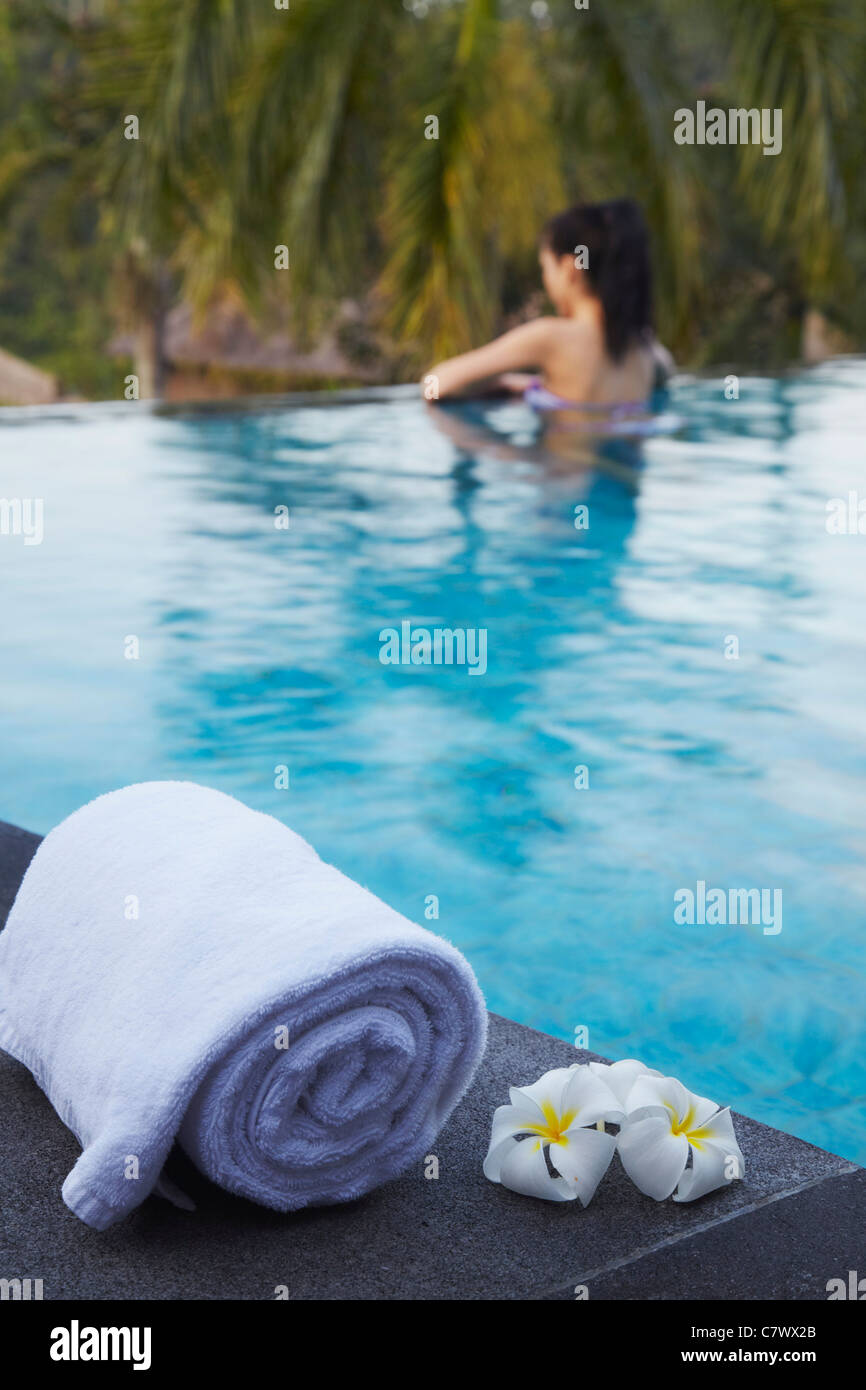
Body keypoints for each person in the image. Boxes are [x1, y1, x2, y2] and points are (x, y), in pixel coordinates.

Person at [423, 198, 673, 416]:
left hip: (559, 467)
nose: (546, 281)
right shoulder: (644, 348)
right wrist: (537, 386)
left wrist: (498, 383)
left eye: (546, 268)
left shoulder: (550, 338)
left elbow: (435, 385)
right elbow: (665, 371)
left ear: (569, 269)